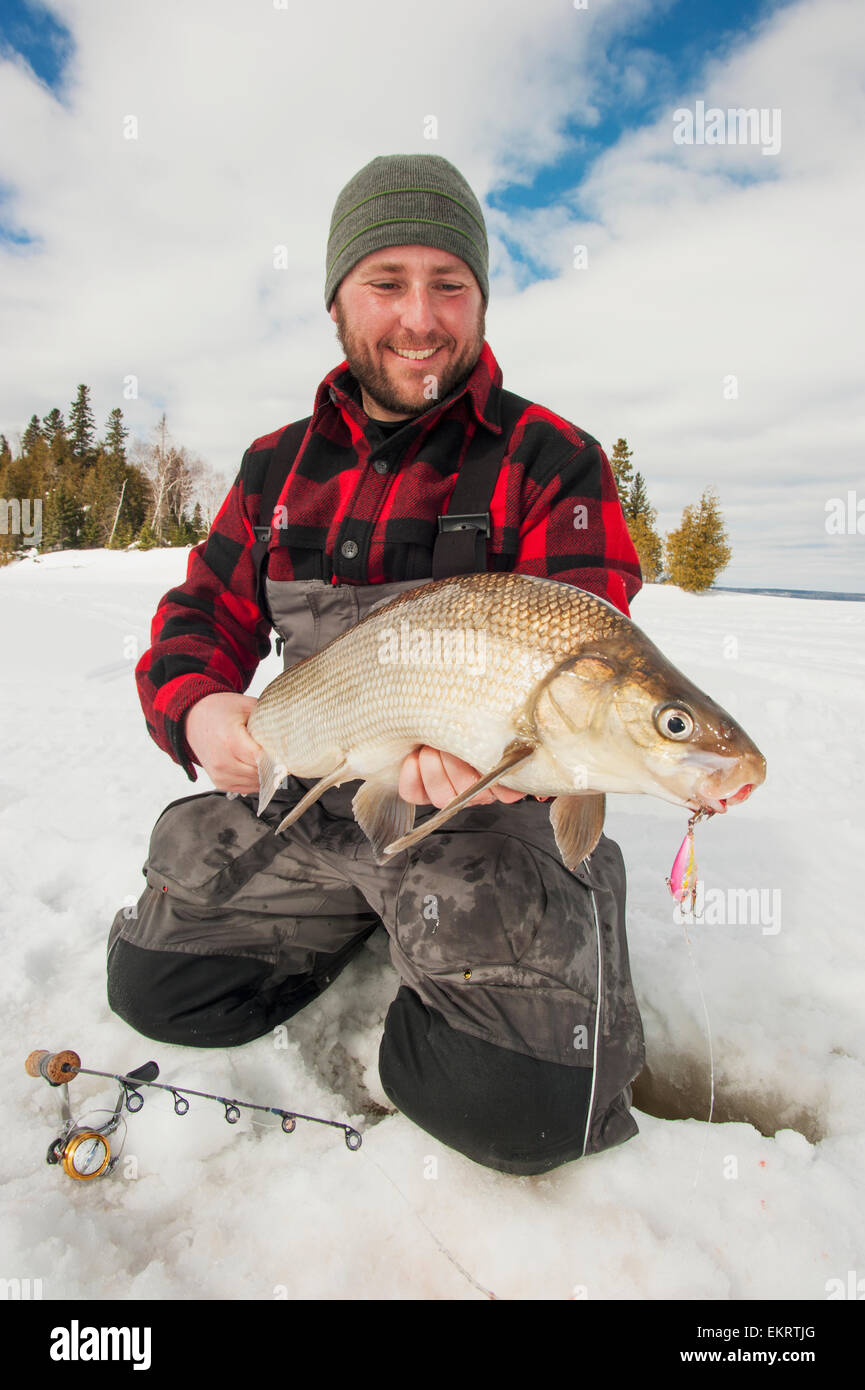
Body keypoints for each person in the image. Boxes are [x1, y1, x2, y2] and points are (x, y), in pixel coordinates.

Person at [108, 153, 645, 1175]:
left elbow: (591, 647)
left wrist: (490, 758)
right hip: (308, 785)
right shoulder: (275, 467)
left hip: (477, 811)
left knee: (523, 1101)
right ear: (336, 301)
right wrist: (200, 710)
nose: (420, 317)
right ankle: (357, 908)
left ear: (481, 297)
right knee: (160, 985)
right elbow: (200, 614)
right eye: (387, 283)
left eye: (450, 284)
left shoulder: (550, 459)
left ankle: (463, 942)